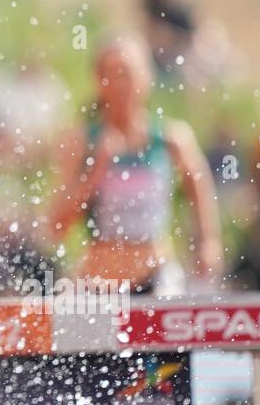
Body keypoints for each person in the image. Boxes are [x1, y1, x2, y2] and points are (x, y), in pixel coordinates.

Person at [46, 31, 224, 294]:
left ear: (146, 78)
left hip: (157, 275)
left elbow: (199, 190)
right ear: (98, 81)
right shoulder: (81, 141)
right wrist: (96, 169)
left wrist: (207, 242)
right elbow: (56, 226)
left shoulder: (173, 139)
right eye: (112, 74)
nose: (120, 84)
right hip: (97, 281)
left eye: (127, 73)